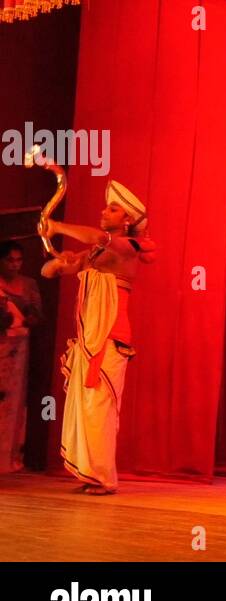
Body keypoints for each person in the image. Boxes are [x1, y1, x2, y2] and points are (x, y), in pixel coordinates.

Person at [40, 180, 157, 495]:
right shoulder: (94, 253)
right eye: (106, 206)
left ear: (127, 221)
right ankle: (91, 474)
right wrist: (59, 260)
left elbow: (99, 236)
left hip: (109, 339)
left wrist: (57, 226)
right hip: (88, 338)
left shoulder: (127, 247)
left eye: (113, 208)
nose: (104, 211)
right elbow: (49, 272)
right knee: (86, 406)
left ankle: (105, 478)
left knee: (100, 408)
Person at [0, 240, 43, 473]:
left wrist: (22, 321)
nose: (15, 265)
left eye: (19, 260)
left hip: (17, 350)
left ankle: (9, 455)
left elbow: (38, 315)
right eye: (10, 260)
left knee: (11, 403)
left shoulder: (29, 284)